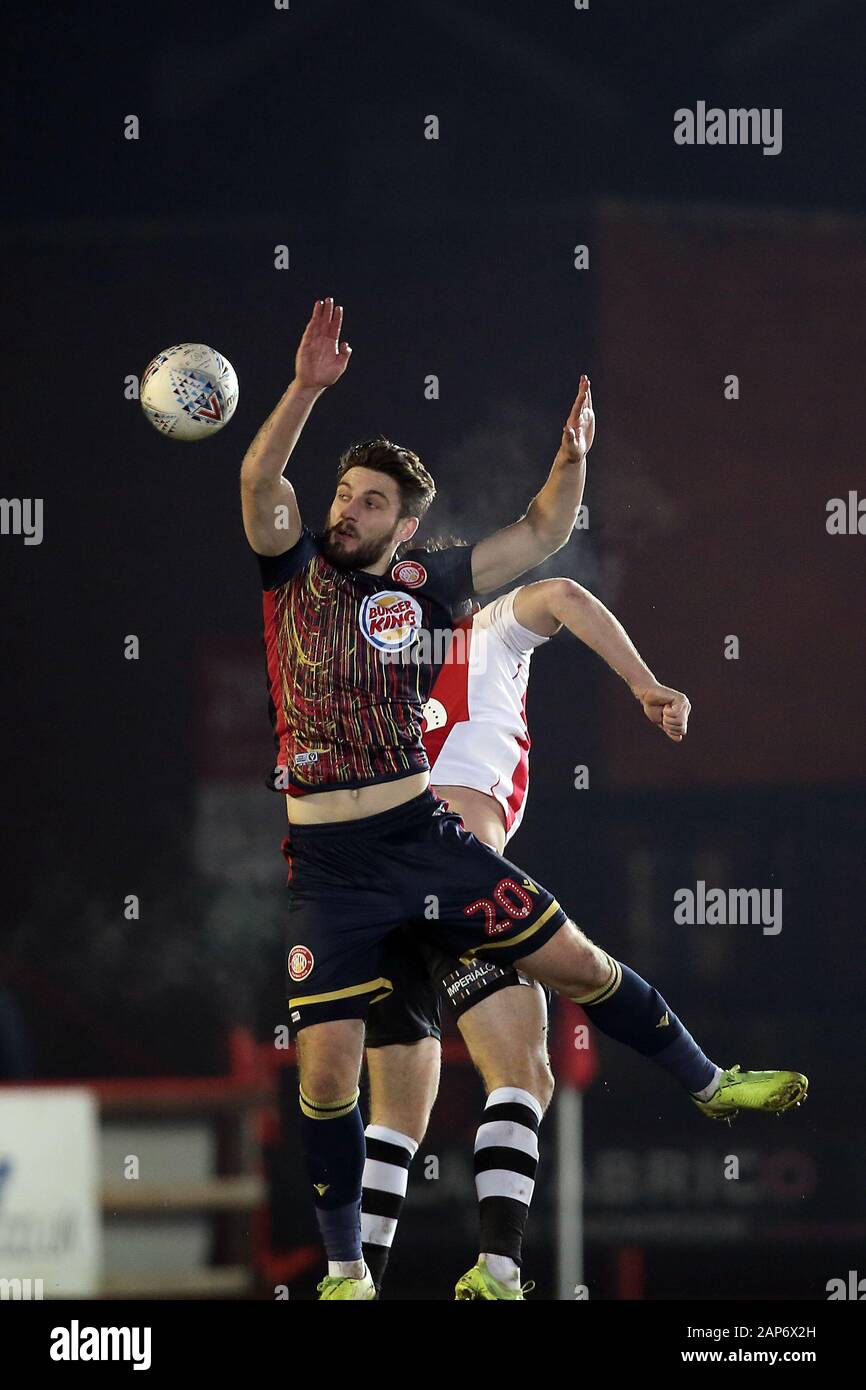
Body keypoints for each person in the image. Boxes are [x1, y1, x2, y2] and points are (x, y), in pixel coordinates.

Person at [241, 298, 806, 1302]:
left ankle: (708, 1084)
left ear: (404, 526)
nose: (346, 510)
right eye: (344, 492)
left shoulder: (429, 592)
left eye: (371, 501)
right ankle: (345, 1272)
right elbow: (257, 478)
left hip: (423, 839)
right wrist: (305, 389)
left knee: (577, 967)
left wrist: (573, 458)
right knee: (327, 1079)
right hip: (326, 870)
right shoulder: (291, 576)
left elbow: (545, 534)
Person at [360, 578, 809, 1299]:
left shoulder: (369, 659)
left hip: (373, 889)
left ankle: (364, 1280)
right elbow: (566, 590)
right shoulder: (490, 628)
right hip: (454, 870)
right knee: (585, 977)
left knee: (409, 1107)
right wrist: (647, 685)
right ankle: (708, 1083)